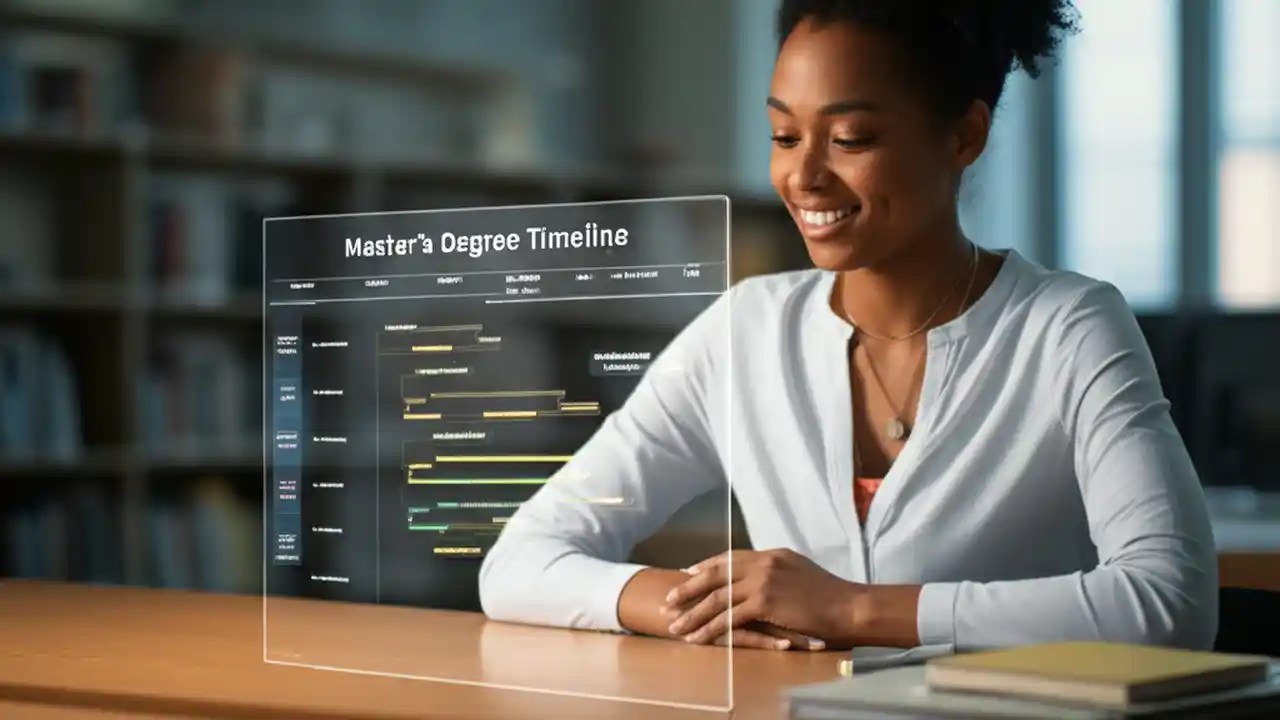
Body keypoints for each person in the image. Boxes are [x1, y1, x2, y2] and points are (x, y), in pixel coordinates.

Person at [479, 0, 1218, 652]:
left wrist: (850, 608)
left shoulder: (1068, 327)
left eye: (851, 138)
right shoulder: (746, 331)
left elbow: (1169, 602)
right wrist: (712, 608)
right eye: (783, 135)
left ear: (964, 135)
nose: (804, 177)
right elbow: (519, 563)